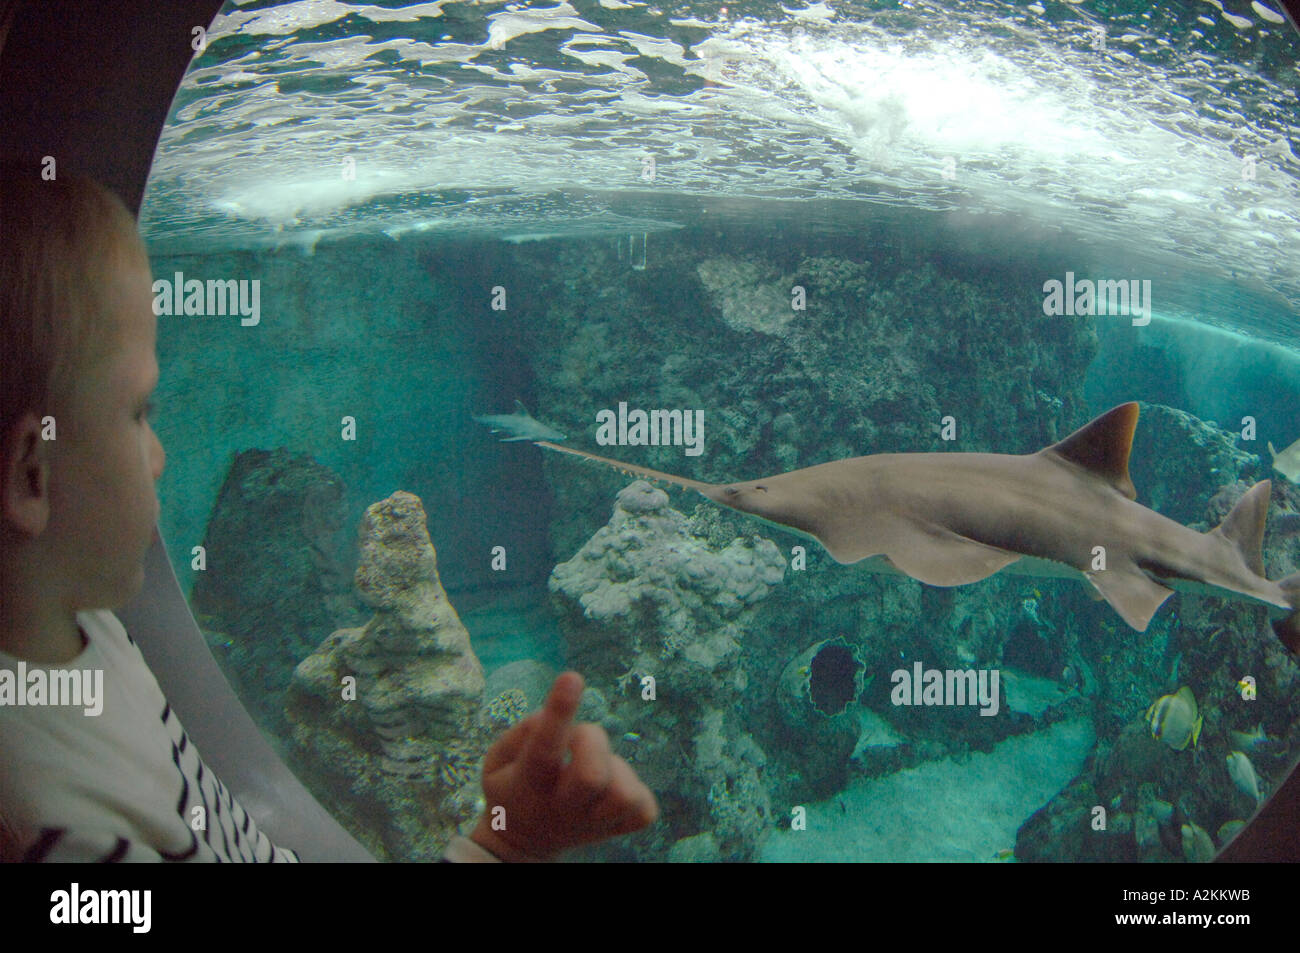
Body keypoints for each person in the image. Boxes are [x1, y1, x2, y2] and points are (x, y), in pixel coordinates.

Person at [0, 162, 657, 862]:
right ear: (31, 475)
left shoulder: (88, 630)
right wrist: (511, 845)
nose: (158, 454)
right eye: (140, 412)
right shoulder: (62, 833)